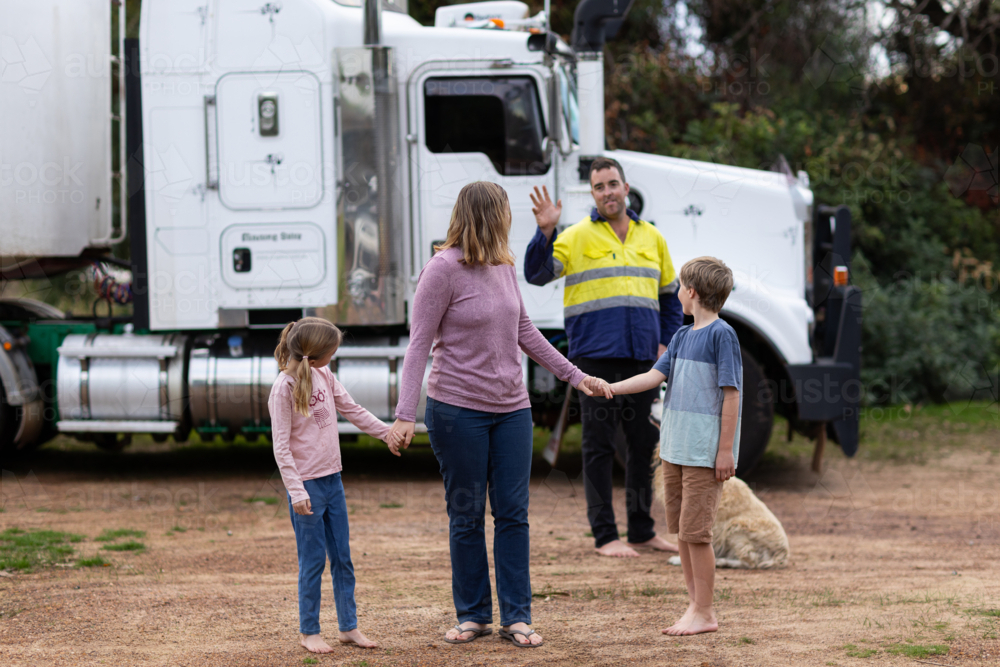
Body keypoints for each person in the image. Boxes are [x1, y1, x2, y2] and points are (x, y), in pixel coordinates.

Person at [389, 181, 612, 648]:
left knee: (513, 514)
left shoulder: (504, 266)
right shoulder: (441, 270)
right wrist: (405, 414)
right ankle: (473, 615)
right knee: (467, 515)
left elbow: (525, 331)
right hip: (457, 411)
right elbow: (417, 348)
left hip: (512, 410)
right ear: (489, 215)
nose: (509, 220)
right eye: (504, 212)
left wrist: (576, 376)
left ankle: (517, 617)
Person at [523, 156, 684, 558]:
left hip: (644, 361)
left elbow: (670, 299)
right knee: (597, 447)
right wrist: (545, 230)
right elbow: (537, 274)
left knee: (644, 444)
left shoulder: (654, 238)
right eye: (599, 187)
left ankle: (642, 530)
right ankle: (605, 536)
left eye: (612, 184)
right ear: (593, 194)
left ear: (626, 188)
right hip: (593, 360)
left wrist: (665, 344)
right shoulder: (575, 236)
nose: (607, 192)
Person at [608, 256, 742, 636]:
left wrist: (725, 450)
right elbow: (653, 376)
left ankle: (705, 610)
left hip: (702, 454)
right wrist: (612, 387)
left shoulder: (722, 335)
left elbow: (732, 395)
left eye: (681, 286)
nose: (678, 293)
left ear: (693, 292)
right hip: (675, 451)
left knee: (697, 534)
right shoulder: (682, 337)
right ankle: (694, 606)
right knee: (682, 533)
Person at [267, 317, 404, 654]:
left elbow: (351, 409)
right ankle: (309, 631)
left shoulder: (324, 374)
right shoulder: (282, 389)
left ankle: (349, 626)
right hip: (308, 488)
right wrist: (296, 491)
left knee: (342, 557)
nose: (334, 356)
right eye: (332, 351)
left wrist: (386, 433)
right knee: (312, 560)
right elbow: (281, 446)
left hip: (333, 480)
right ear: (314, 355)